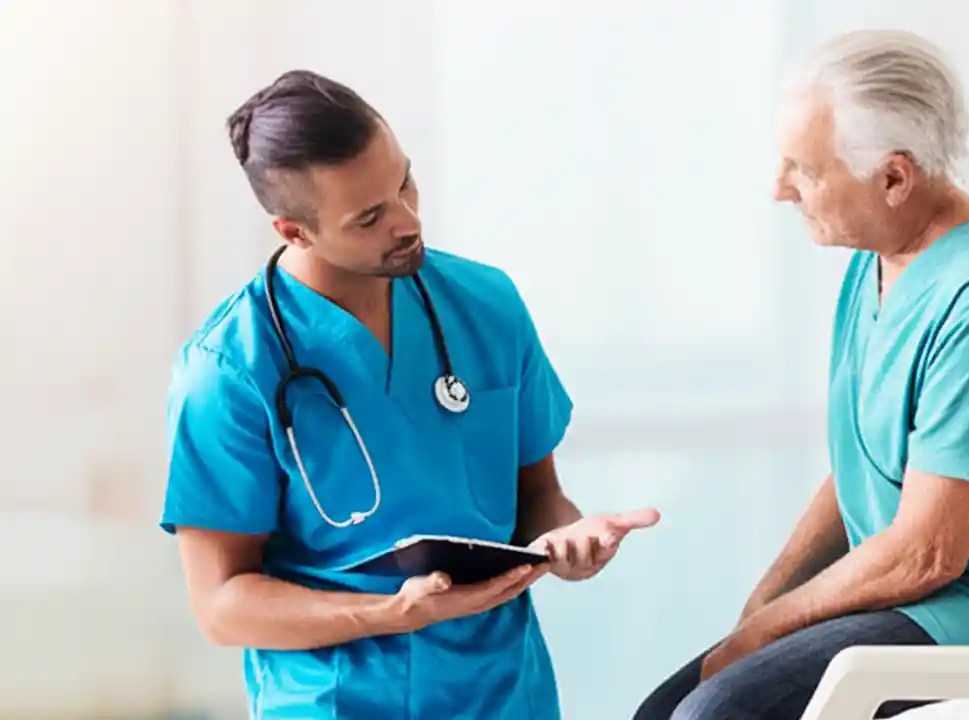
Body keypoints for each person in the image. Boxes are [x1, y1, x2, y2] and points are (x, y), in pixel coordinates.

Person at [635, 29, 969, 720]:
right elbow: (860, 467)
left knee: (717, 713)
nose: (779, 188)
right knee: (665, 708)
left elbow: (927, 553)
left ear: (894, 178)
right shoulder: (879, 259)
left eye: (804, 169)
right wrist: (760, 610)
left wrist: (764, 634)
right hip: (922, 597)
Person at [159, 69, 659, 719]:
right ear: (294, 231)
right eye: (370, 217)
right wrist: (391, 614)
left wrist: (568, 538)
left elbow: (538, 496)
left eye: (404, 183)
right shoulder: (229, 371)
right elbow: (222, 605)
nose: (408, 221)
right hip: (336, 700)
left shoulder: (487, 305)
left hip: (504, 692)